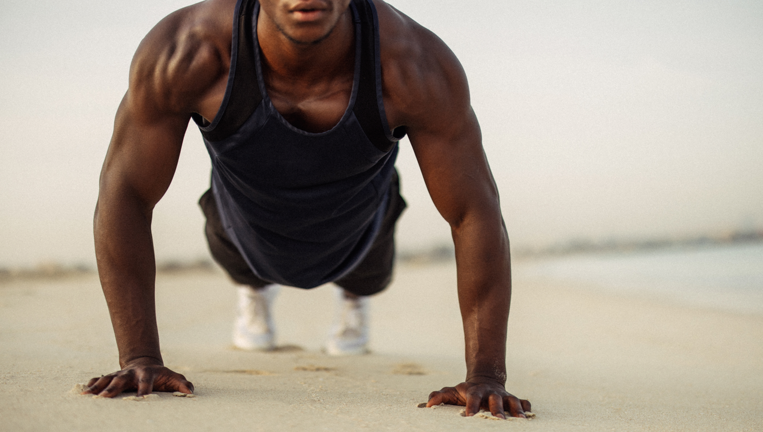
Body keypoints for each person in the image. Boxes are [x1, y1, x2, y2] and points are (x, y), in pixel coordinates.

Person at [84, 0, 531, 419]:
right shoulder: (187, 49)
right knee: (240, 246)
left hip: (361, 221)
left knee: (369, 265)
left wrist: (486, 375)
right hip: (242, 215)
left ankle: (355, 299)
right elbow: (126, 192)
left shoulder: (412, 62)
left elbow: (472, 211)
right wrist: (139, 356)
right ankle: (254, 292)